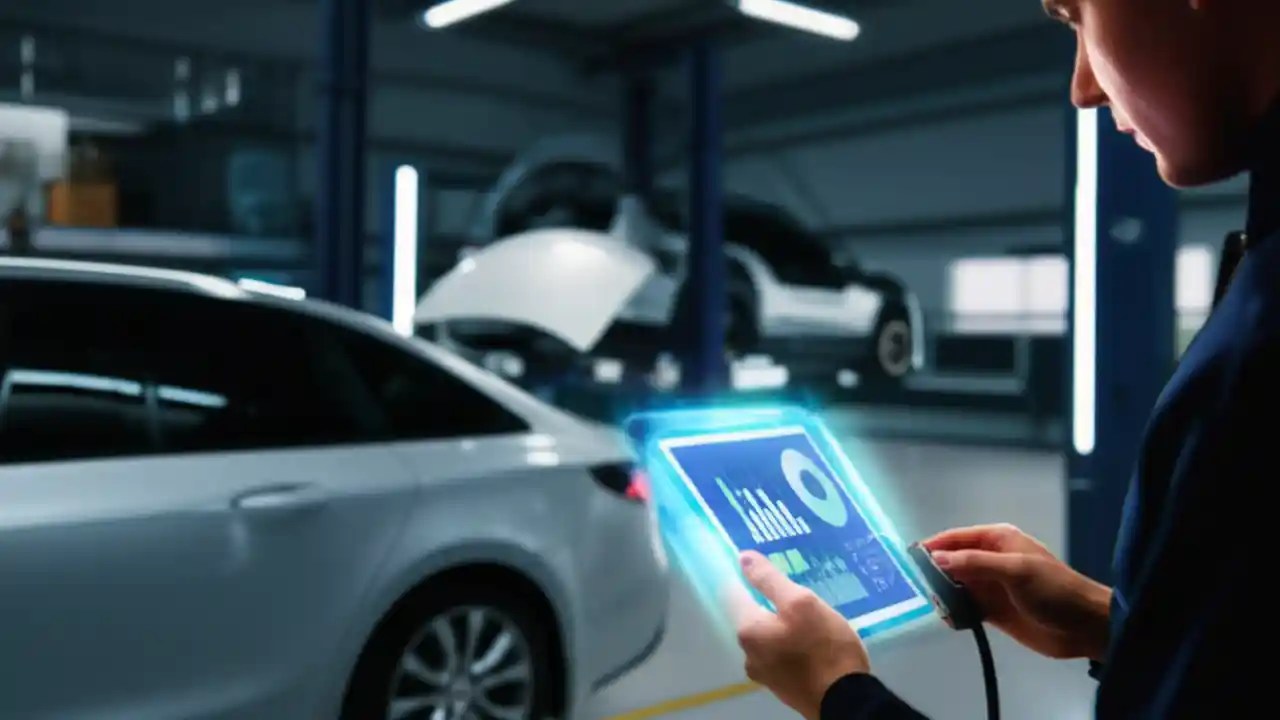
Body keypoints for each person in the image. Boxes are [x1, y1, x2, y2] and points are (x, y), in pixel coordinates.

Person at [733, 0, 1278, 717]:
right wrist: (1106, 620)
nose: (1083, 85)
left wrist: (841, 695)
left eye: (1077, 15)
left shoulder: (1259, 355)